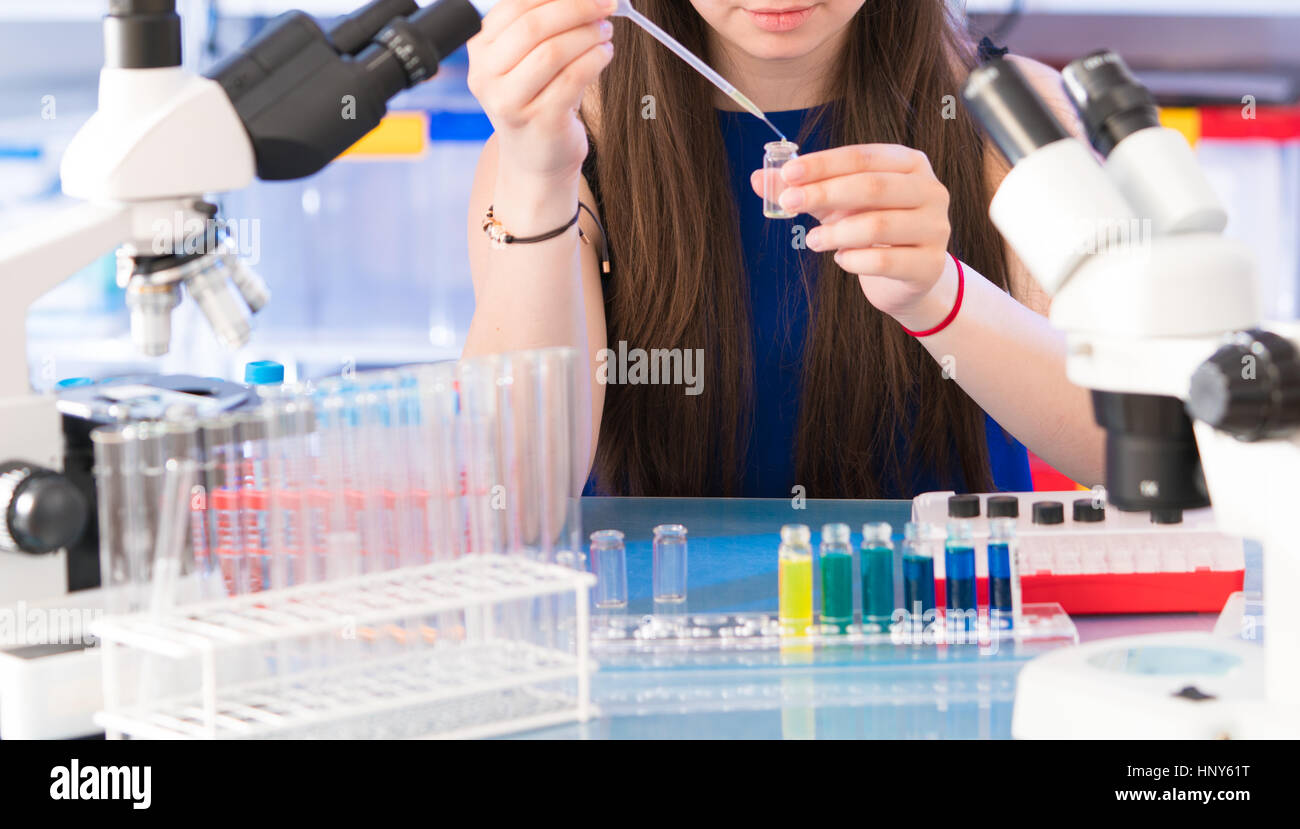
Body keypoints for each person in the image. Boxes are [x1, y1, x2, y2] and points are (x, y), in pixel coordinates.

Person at [462, 0, 1105, 498]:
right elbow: (517, 491)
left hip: (947, 642)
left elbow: (1138, 445)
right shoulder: (564, 135)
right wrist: (538, 174)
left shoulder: (1008, 114)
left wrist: (940, 297)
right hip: (648, 650)